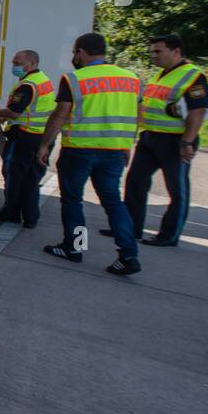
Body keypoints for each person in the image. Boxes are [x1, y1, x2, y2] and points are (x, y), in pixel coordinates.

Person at [36, 32, 143, 276]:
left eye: (75, 52)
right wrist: (127, 145)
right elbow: (138, 116)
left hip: (79, 151)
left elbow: (60, 115)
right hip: (114, 152)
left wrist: (44, 145)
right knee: (113, 202)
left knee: (73, 200)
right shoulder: (133, 79)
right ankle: (128, 254)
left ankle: (74, 248)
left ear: (82, 52)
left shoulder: (74, 79)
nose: (74, 57)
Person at [105, 34, 208, 247]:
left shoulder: (192, 76)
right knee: (135, 182)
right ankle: (130, 228)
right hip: (150, 137)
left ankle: (169, 235)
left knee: (177, 189)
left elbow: (198, 110)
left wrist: (187, 142)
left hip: (175, 141)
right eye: (152, 51)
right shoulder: (161, 75)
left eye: (158, 51)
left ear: (176, 51)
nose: (153, 55)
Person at [0, 49, 55, 228]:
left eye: (18, 63)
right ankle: (30, 218)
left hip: (24, 138)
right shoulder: (43, 80)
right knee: (31, 179)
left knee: (13, 175)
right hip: (39, 136)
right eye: (13, 63)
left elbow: (14, 111)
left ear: (32, 63)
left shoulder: (28, 85)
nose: (14, 66)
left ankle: (11, 212)